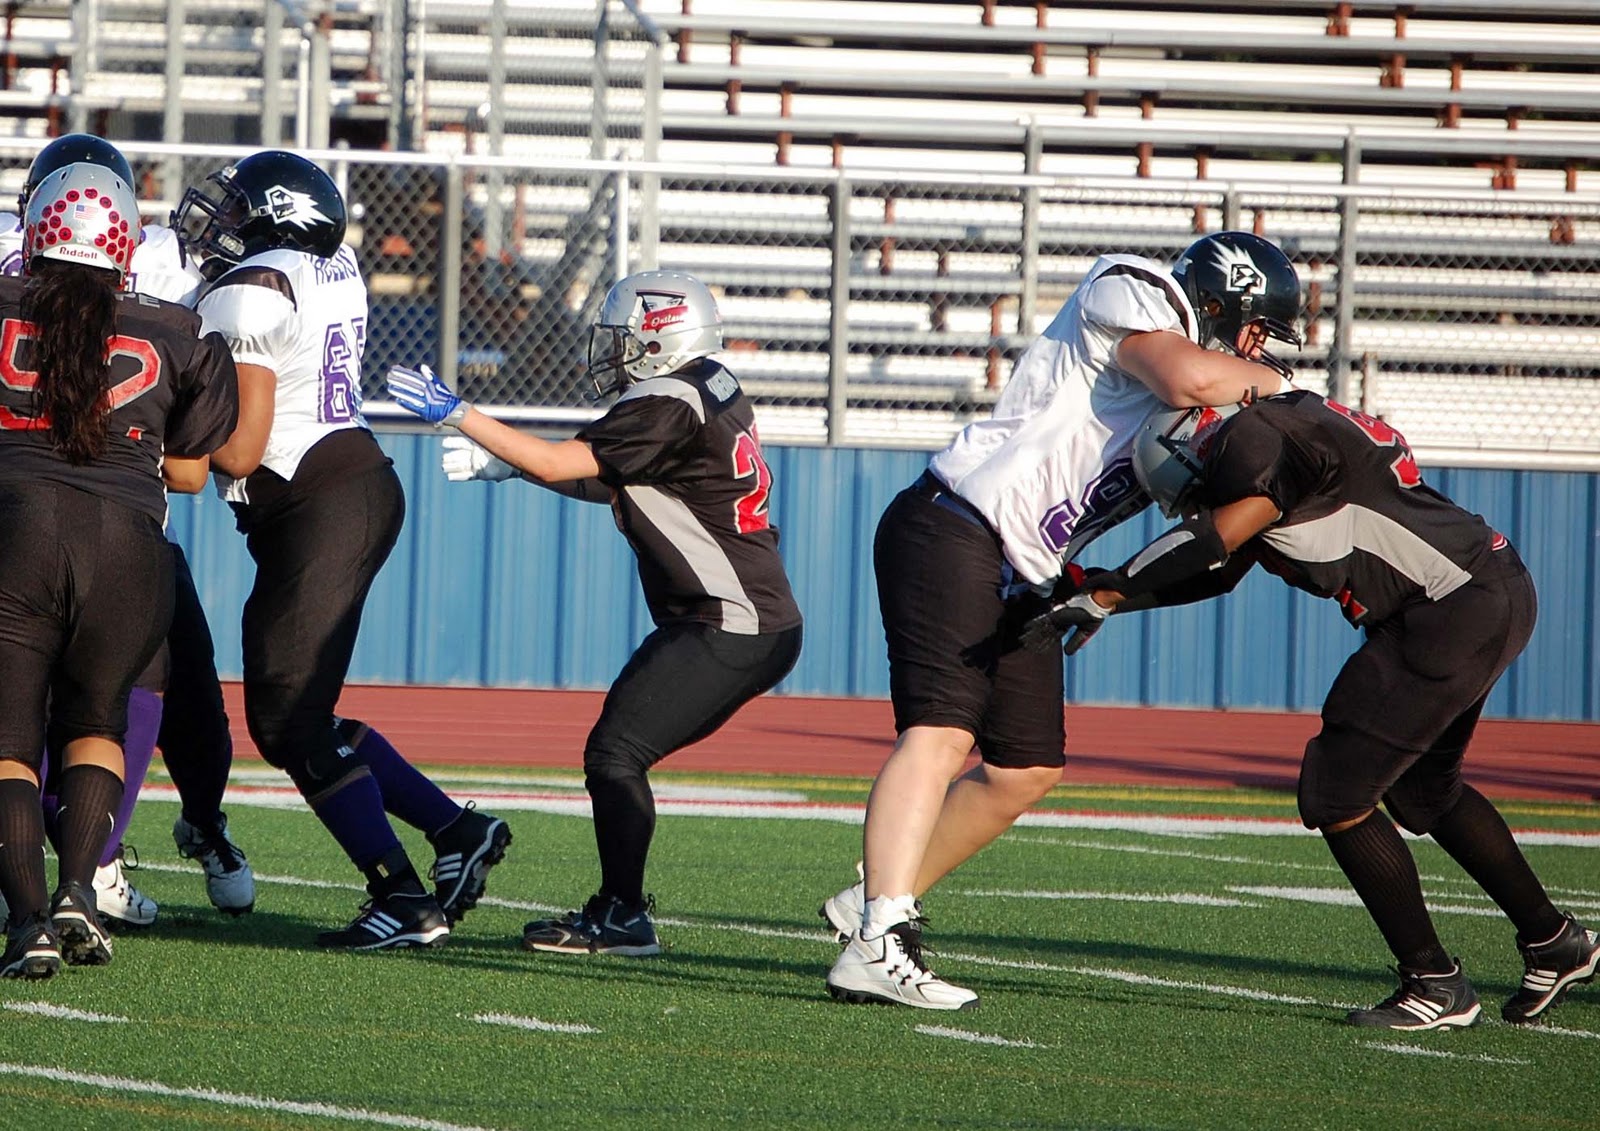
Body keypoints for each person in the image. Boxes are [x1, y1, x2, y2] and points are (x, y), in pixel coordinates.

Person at [819, 231, 1305, 1010]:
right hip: (958, 522)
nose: (1259, 349)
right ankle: (882, 934)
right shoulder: (1135, 286)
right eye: (1256, 329)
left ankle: (880, 887)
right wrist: (1273, 384)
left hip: (1024, 564)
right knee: (942, 734)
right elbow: (1185, 376)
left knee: (1023, 768)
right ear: (1219, 300)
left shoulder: (1202, 388)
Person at [1032, 392, 1600, 1030]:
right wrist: (1103, 597)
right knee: (1423, 790)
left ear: (1192, 451)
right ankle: (1554, 941)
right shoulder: (1276, 431)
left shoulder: (1256, 442)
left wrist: (1108, 588)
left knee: (1336, 790)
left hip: (1450, 609)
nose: (1196, 505)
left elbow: (1210, 538)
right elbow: (1216, 568)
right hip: (1479, 590)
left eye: (1193, 493)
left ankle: (1433, 981)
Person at [387, 268, 804, 955]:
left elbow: (560, 462)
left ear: (658, 336)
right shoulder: (707, 385)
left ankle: (623, 914)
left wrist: (463, 414)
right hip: (738, 614)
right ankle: (621, 909)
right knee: (616, 751)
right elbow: (624, 482)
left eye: (622, 338)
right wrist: (514, 466)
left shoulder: (668, 400)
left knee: (616, 753)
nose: (610, 352)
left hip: (730, 618)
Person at [171, 150, 511, 949]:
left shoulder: (251, 289)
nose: (219, 224)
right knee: (305, 715)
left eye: (234, 210)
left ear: (274, 216)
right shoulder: (327, 263)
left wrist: (155, 435)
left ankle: (400, 895)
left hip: (315, 502)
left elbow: (241, 451)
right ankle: (457, 830)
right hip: (348, 483)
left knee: (287, 723)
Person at [0, 133, 255, 927]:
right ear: (127, 237)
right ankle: (85, 884)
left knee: (9, 740)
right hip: (131, 544)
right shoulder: (178, 326)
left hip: (17, 531)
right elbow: (190, 470)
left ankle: (27, 916)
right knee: (98, 725)